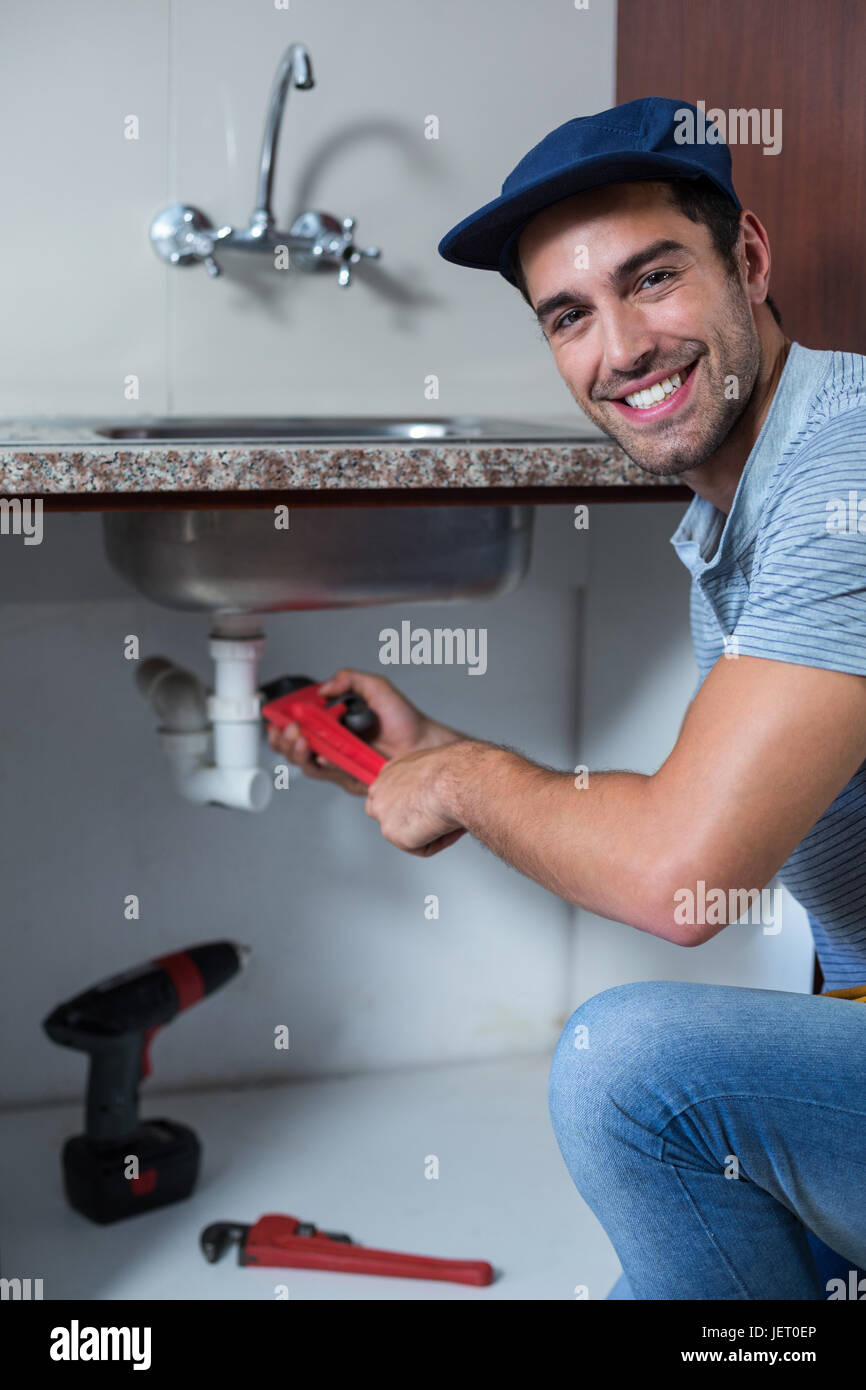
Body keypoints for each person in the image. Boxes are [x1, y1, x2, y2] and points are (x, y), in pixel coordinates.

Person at [267, 98, 866, 1300]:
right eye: (568, 316)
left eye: (652, 279)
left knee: (624, 1069)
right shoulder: (748, 503)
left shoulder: (845, 477)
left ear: (747, 258)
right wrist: (441, 751)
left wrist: (467, 783)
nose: (621, 349)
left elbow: (674, 871)